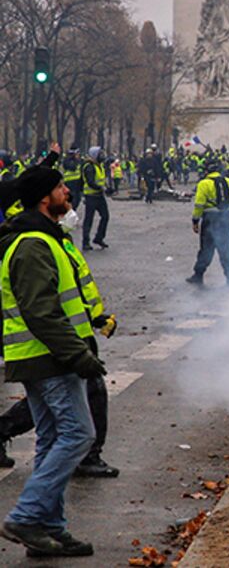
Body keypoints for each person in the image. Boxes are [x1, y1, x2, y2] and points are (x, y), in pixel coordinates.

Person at [0, 167, 104, 557]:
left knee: (51, 441)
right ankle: (26, 517)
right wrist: (79, 356)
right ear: (45, 198)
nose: (68, 191)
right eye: (61, 187)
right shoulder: (32, 244)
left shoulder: (44, 238)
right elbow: (41, 312)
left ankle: (48, 529)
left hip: (42, 356)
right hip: (50, 358)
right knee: (79, 435)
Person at [0, 199, 120, 478]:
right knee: (84, 398)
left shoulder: (58, 240)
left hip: (65, 333)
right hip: (49, 337)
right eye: (60, 190)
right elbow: (39, 300)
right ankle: (85, 458)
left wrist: (97, 317)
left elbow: (76, 286)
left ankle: (6, 432)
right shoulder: (30, 243)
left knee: (56, 400)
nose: (68, 199)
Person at [186, 160, 229, 287]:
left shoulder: (204, 184)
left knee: (206, 249)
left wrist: (195, 221)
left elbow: (199, 204)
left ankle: (198, 275)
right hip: (225, 219)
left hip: (210, 219)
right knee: (226, 249)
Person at [80, 147, 108, 251]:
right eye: (100, 154)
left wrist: (108, 188)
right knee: (88, 219)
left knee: (105, 216)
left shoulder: (99, 166)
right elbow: (90, 182)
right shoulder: (89, 166)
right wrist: (101, 188)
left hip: (99, 196)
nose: (102, 156)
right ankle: (85, 242)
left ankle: (99, 238)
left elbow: (101, 180)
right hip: (91, 196)